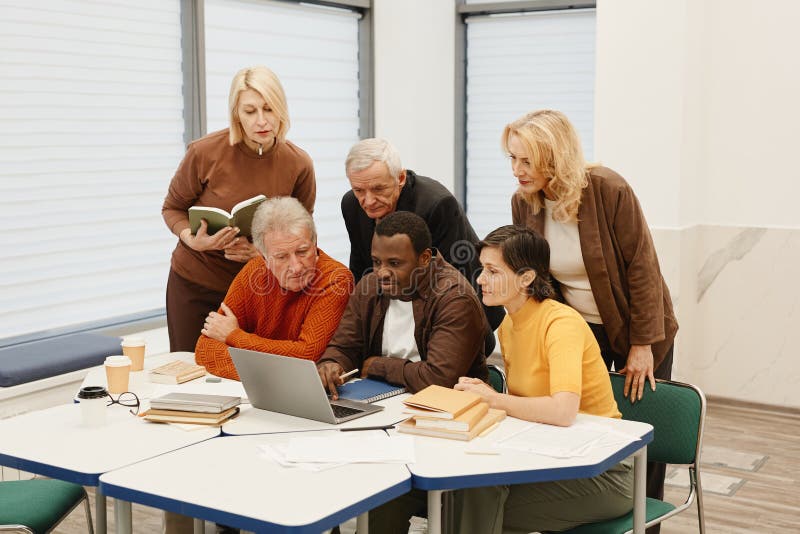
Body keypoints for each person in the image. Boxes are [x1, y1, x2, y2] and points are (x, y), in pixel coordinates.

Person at [504, 109, 677, 522]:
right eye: (512, 158)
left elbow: (643, 267)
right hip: (578, 327)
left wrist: (642, 344)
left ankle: (642, 524)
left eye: (526, 161)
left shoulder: (607, 189)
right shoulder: (523, 202)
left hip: (638, 326)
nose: (517, 171)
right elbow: (533, 274)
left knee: (641, 429)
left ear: (555, 156)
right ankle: (583, 510)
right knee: (583, 422)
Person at [452, 225, 633, 533]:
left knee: (472, 506)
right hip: (553, 455)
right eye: (482, 269)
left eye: (492, 271)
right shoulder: (509, 327)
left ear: (526, 278)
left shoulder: (560, 323)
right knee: (468, 494)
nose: (481, 279)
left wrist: (492, 398)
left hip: (604, 470)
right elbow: (527, 403)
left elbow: (562, 411)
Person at [162, 65, 316, 353]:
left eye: (269, 109)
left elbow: (302, 236)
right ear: (236, 113)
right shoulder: (204, 152)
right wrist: (190, 238)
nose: (261, 121)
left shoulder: (298, 163)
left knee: (246, 378)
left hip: (257, 290)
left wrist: (260, 254)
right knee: (191, 376)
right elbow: (173, 208)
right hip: (195, 284)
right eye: (250, 111)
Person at [341, 138, 504, 352]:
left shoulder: (436, 204)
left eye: (378, 189)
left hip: (461, 307)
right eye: (359, 190)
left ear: (400, 178)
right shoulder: (351, 205)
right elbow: (362, 269)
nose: (368, 200)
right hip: (401, 312)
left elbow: (455, 281)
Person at [317, 210, 489, 397]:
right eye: (376, 262)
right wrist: (332, 364)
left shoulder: (455, 298)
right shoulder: (370, 286)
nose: (382, 272)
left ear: (423, 259)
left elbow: (439, 379)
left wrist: (378, 366)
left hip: (444, 409)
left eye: (394, 263)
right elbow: (344, 347)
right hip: (379, 399)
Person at [194, 197, 353, 379]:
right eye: (281, 257)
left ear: (315, 242)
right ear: (264, 258)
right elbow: (206, 349)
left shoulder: (336, 279)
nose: (296, 267)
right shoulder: (254, 271)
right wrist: (275, 371)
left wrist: (235, 336)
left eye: (302, 252)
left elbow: (307, 357)